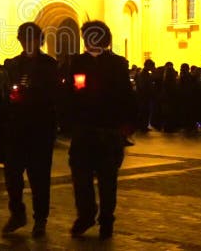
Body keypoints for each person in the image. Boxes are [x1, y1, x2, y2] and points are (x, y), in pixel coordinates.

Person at [66, 21, 136, 240]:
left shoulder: (117, 64)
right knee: (81, 177)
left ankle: (106, 219)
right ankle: (86, 214)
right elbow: (72, 91)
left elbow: (126, 96)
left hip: (109, 130)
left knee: (107, 180)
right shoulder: (78, 62)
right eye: (87, 36)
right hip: (84, 129)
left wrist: (125, 124)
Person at [0, 22, 60, 238]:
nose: (27, 43)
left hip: (39, 128)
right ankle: (17, 213)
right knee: (12, 175)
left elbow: (54, 95)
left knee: (39, 178)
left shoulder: (49, 65)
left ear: (39, 40)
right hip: (16, 127)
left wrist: (32, 96)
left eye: (31, 38)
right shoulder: (13, 64)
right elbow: (5, 90)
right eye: (24, 38)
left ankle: (40, 219)